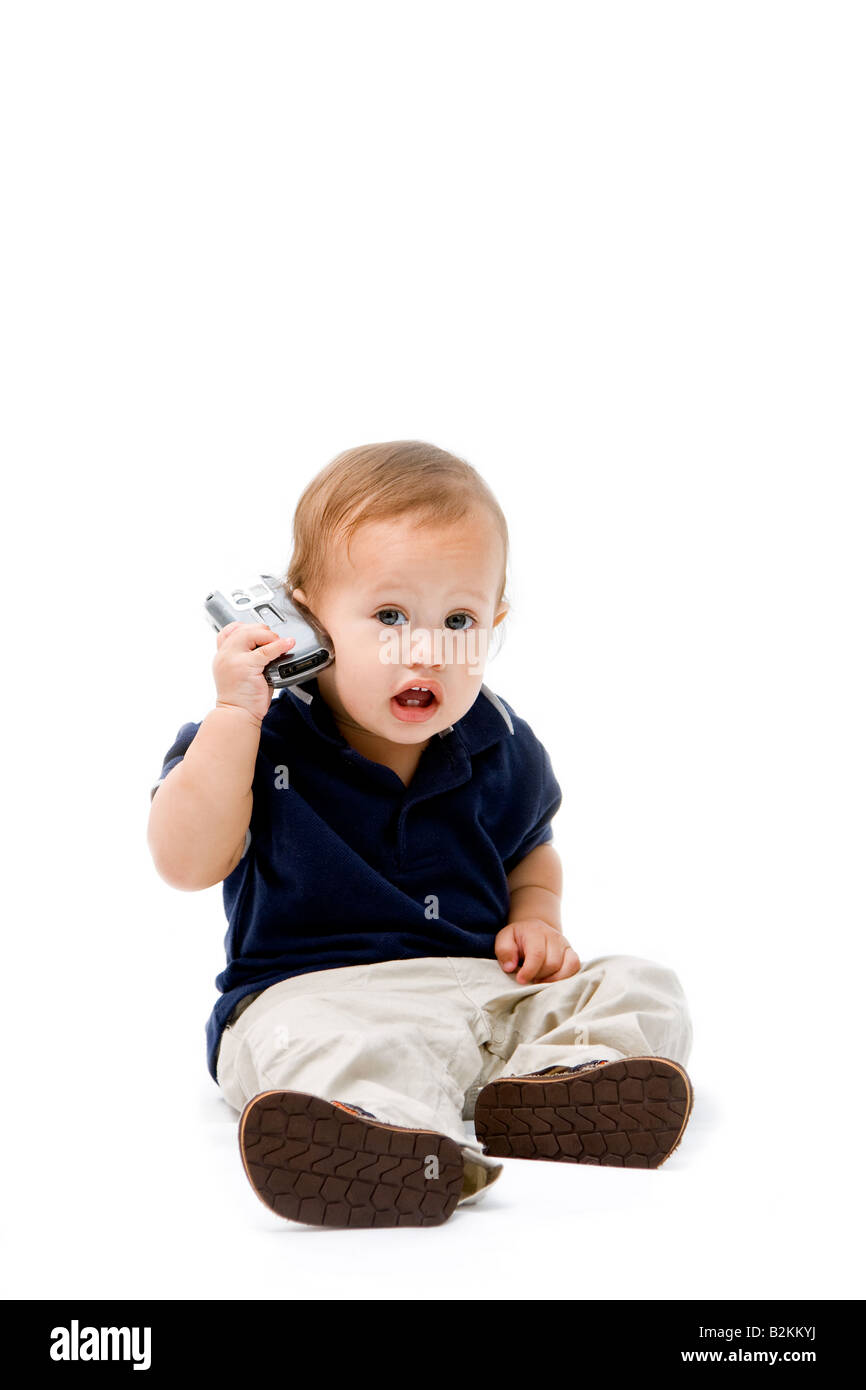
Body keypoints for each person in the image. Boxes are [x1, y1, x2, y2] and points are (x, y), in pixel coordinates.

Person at [147, 440, 694, 1229]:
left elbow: (530, 849)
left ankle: (553, 1086)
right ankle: (390, 1138)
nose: (427, 650)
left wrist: (537, 918)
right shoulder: (256, 737)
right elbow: (185, 861)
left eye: (459, 620)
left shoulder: (497, 739)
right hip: (315, 994)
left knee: (641, 983)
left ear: (494, 623)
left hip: (478, 996)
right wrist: (236, 714)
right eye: (390, 615)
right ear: (305, 620)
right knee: (321, 1047)